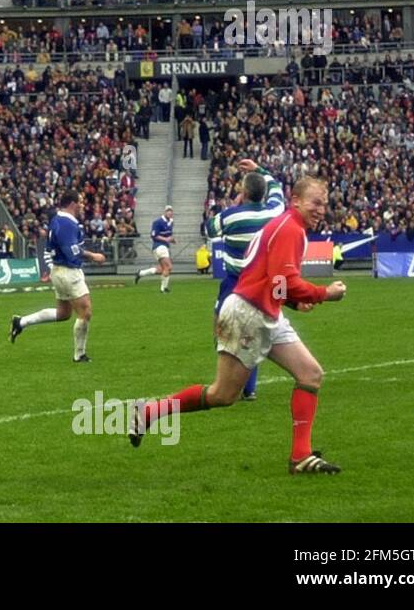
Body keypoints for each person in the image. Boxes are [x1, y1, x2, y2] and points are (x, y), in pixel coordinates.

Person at [129, 177, 348, 474]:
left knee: (310, 375)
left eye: (324, 203)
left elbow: (276, 281)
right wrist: (325, 294)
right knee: (223, 395)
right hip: (248, 313)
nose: (321, 209)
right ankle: (150, 412)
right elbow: (285, 280)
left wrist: (294, 303)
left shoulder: (288, 226)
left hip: (263, 310)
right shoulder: (290, 228)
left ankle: (301, 457)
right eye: (315, 202)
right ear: (295, 200)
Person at [207, 159, 285, 401]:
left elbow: (210, 227)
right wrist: (260, 170)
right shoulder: (274, 212)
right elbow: (278, 188)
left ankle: (229, 380)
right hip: (261, 283)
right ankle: (249, 387)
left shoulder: (231, 216)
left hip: (234, 282)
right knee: (252, 332)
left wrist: (234, 205)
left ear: (244, 192)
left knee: (222, 330)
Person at [8, 191, 105, 362]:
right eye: (80, 201)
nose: (82, 205)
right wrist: (93, 256)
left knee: (63, 313)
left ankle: (21, 322)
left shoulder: (57, 220)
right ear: (72, 204)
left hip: (59, 271)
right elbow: (72, 251)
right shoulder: (67, 223)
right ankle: (79, 355)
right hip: (68, 271)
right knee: (85, 312)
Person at [134, 206, 175, 292]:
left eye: (171, 211)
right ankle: (163, 289)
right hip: (159, 246)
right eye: (168, 211)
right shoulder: (158, 222)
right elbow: (153, 235)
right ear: (164, 212)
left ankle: (141, 273)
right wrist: (166, 239)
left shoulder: (171, 222)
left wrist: (172, 240)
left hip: (164, 247)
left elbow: (167, 235)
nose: (170, 212)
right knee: (169, 266)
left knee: (162, 269)